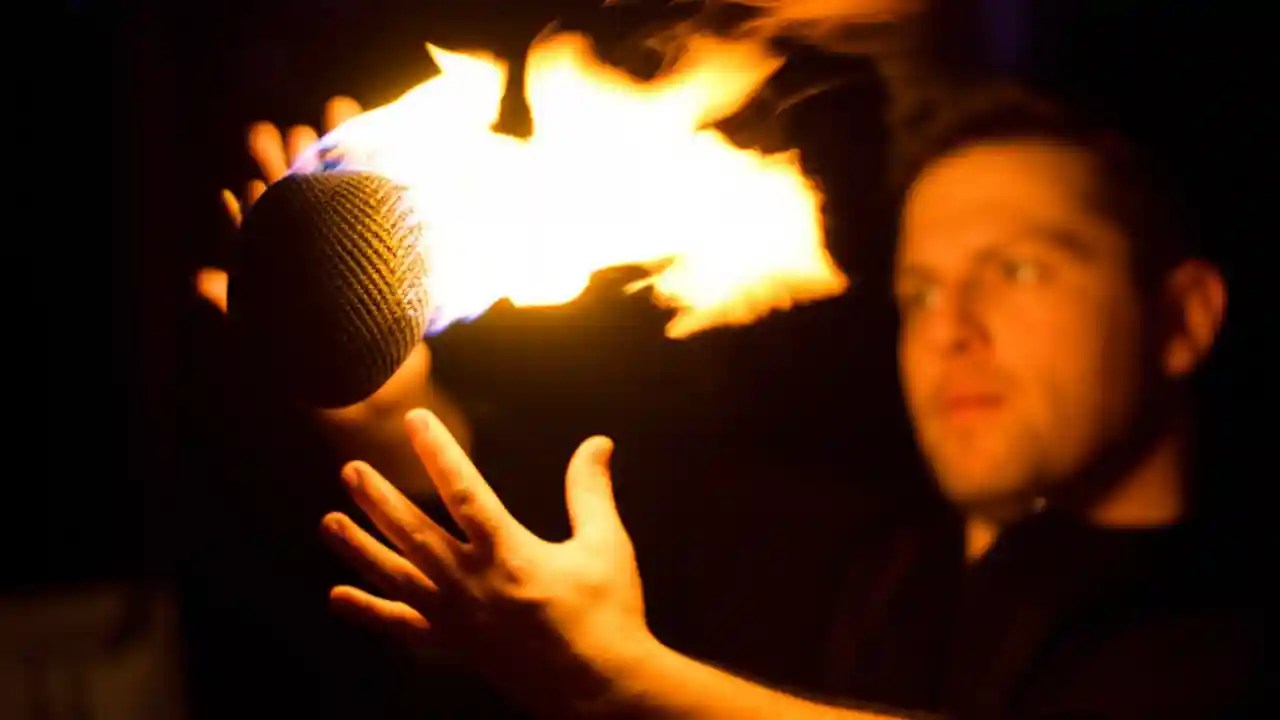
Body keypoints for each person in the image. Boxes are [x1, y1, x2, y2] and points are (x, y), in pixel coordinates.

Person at [305, 85, 1264, 718]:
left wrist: (621, 681)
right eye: (919, 290)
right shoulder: (853, 572)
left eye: (1015, 270)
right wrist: (391, 417)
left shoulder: (1223, 638)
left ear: (1184, 317)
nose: (949, 327)